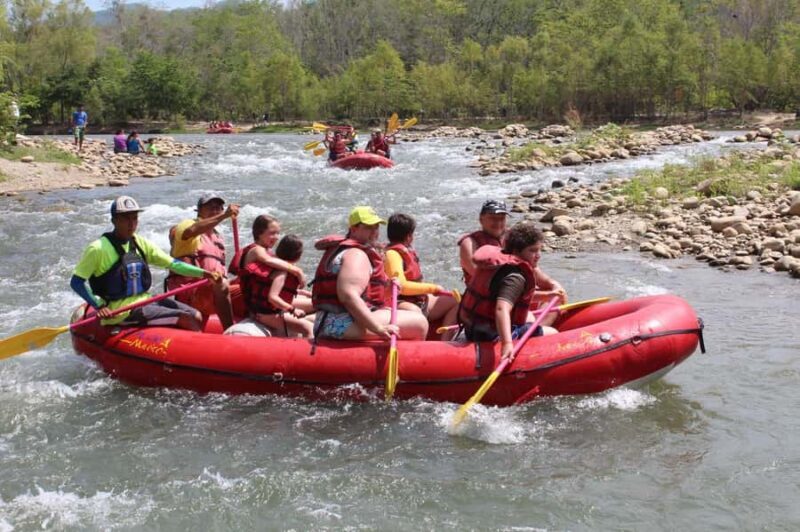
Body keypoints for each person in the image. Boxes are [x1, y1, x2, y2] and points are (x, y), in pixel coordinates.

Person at [70, 196, 221, 330]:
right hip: (121, 312)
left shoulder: (139, 243)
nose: (131, 224)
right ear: (114, 221)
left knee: (196, 314)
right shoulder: (97, 249)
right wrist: (99, 305)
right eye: (126, 218)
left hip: (145, 301)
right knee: (186, 318)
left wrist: (204, 274)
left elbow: (173, 264)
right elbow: (76, 282)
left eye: (134, 218)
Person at [312, 206, 429, 341]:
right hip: (339, 323)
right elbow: (348, 296)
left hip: (339, 319)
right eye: (369, 227)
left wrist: (388, 289)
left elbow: (369, 295)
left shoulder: (355, 250)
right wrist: (378, 328)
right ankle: (411, 360)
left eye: (376, 227)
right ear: (354, 229)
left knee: (411, 312)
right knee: (419, 323)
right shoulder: (356, 255)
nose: (374, 232)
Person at [458, 222, 560, 361]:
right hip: (491, 335)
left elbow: (510, 295)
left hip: (473, 328)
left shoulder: (498, 265)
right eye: (532, 250)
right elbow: (501, 309)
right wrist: (507, 344)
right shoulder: (515, 277)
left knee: (529, 317)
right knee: (553, 333)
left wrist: (548, 296)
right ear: (517, 251)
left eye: (539, 250)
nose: (538, 255)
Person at [459, 199, 567, 325]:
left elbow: (532, 269)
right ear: (481, 219)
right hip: (492, 300)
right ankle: (532, 332)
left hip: (515, 293)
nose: (498, 223)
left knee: (556, 297)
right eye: (493, 218)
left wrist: (553, 285)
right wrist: (544, 295)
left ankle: (536, 331)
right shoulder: (469, 243)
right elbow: (488, 282)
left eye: (501, 218)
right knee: (545, 298)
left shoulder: (511, 238)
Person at [166, 196, 239, 330]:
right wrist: (224, 216)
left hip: (212, 292)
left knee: (246, 284)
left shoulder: (218, 237)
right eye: (211, 206)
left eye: (219, 207)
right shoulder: (187, 225)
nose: (215, 209)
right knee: (221, 284)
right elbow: (191, 231)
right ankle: (230, 331)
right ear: (199, 211)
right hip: (192, 293)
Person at [384, 213, 458, 339]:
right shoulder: (392, 254)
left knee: (456, 300)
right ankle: (419, 349)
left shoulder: (406, 251)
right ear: (409, 236)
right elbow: (402, 287)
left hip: (418, 300)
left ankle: (446, 343)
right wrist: (433, 288)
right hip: (398, 302)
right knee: (417, 315)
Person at [239, 234, 314, 338]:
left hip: (260, 311)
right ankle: (306, 353)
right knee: (309, 328)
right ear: (298, 256)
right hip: (266, 315)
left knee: (305, 316)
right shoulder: (282, 272)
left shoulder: (276, 264)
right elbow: (272, 297)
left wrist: (305, 293)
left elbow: (280, 288)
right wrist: (292, 310)